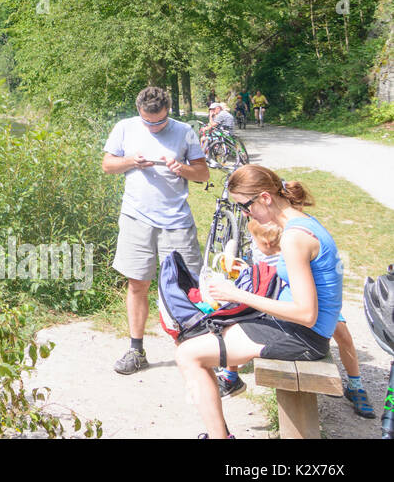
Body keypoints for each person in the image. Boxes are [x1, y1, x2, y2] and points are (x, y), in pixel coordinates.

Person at [175, 165, 344, 438]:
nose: (245, 214)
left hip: (304, 336)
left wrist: (236, 294)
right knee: (203, 333)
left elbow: (306, 313)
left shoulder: (294, 237)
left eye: (245, 206)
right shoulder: (302, 223)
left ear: (265, 198)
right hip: (300, 329)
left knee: (188, 354)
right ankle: (227, 393)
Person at [214, 216, 375, 417]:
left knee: (342, 334)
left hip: (314, 304)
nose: (252, 244)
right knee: (242, 316)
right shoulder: (263, 247)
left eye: (254, 240)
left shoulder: (293, 246)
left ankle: (355, 384)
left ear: (267, 242)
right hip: (284, 303)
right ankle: (231, 375)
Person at [103, 86, 210, 374]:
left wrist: (182, 169)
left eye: (159, 121)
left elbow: (203, 173)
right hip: (136, 218)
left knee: (187, 288)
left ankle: (197, 353)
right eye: (148, 122)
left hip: (176, 221)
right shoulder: (125, 128)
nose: (154, 126)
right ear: (139, 112)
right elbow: (107, 165)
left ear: (168, 111)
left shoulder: (185, 131)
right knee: (137, 283)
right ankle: (136, 351)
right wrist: (130, 162)